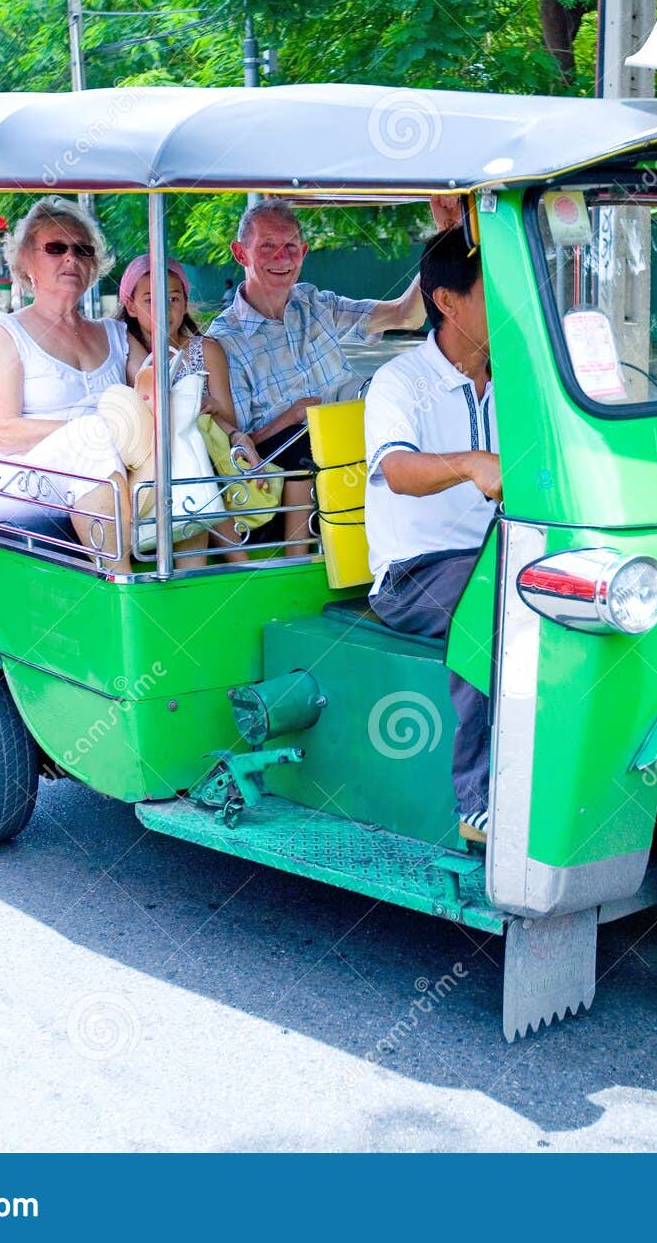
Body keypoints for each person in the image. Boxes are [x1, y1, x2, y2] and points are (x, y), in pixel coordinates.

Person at [206, 197, 454, 550]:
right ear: (240, 253)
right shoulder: (224, 341)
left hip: (359, 450)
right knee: (306, 446)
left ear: (304, 251)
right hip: (287, 476)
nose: (282, 257)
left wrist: (446, 235)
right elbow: (241, 444)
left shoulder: (314, 302)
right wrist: (294, 417)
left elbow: (406, 316)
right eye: (267, 246)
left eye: (291, 245)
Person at [363, 227, 499, 844]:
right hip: (413, 574)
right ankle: (480, 799)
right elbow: (397, 471)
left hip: (499, 553)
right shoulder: (399, 381)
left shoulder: (519, 380)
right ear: (447, 302)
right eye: (496, 291)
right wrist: (471, 461)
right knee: (497, 604)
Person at [0, 196, 143, 570]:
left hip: (104, 472)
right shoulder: (4, 332)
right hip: (19, 480)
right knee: (93, 437)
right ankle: (123, 583)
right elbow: (4, 432)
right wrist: (94, 428)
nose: (71, 258)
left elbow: (154, 390)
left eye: (82, 250)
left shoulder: (115, 334)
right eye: (55, 248)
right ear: (26, 261)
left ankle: (203, 573)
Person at [118, 254, 271, 566]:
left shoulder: (206, 349)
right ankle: (238, 563)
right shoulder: (124, 350)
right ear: (131, 306)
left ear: (185, 303)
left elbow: (229, 420)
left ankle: (232, 567)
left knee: (196, 447)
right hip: (148, 460)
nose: (163, 308)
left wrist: (210, 408)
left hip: (205, 451)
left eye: (173, 298)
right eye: (150, 299)